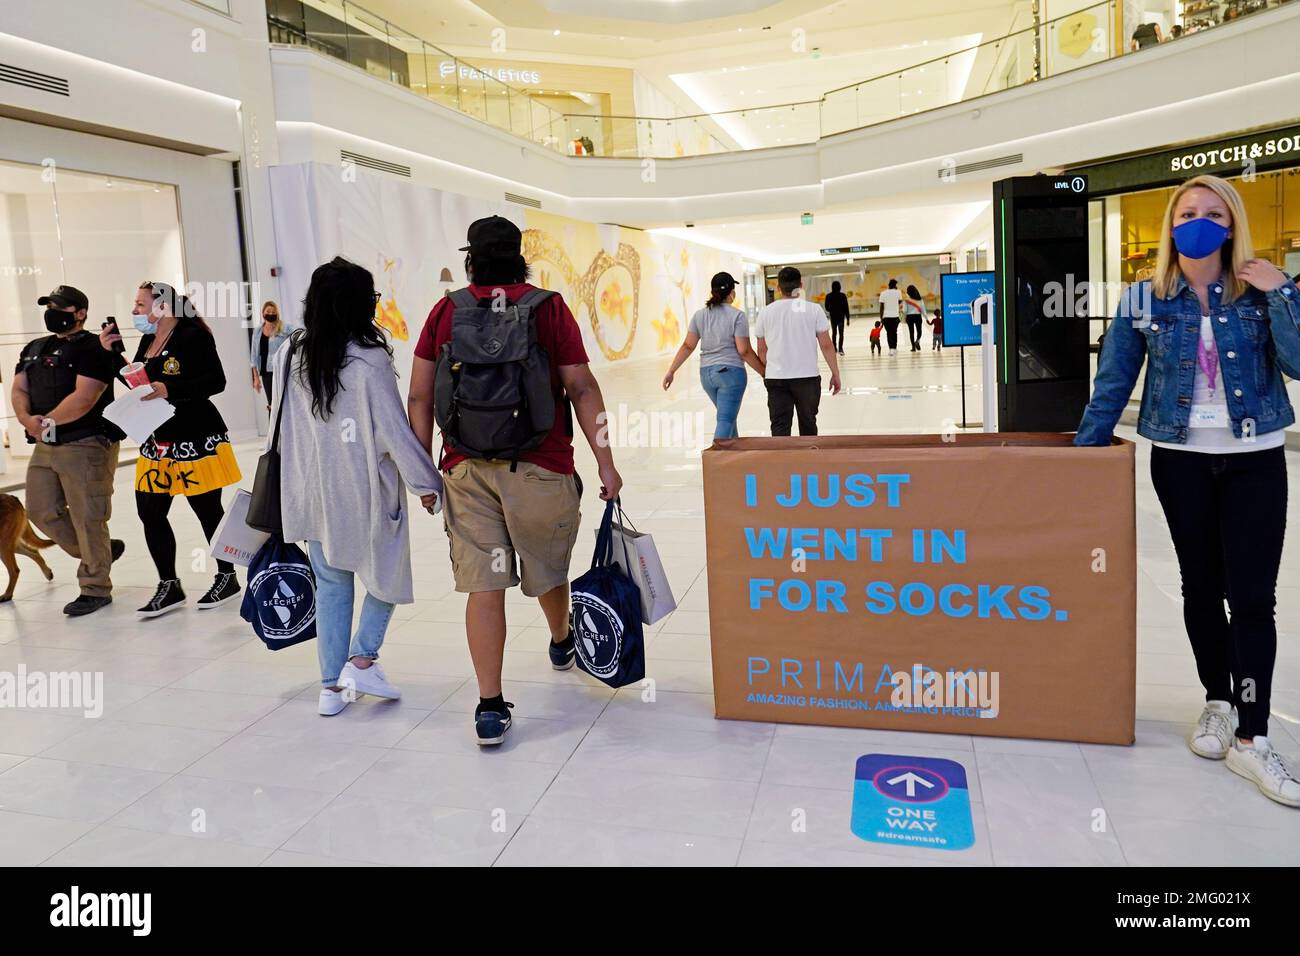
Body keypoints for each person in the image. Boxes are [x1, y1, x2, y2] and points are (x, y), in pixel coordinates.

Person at [1076, 174, 1300, 808]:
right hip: (1179, 461)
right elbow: (1113, 383)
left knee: (1253, 598)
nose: (1199, 222)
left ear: (1232, 226)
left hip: (1254, 460)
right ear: (1172, 225)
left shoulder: (1262, 290)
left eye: (1213, 213)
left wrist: (1284, 294)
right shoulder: (1144, 299)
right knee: (1200, 588)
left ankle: (1253, 740)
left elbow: (1299, 362)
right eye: (1187, 212)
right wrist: (1082, 458)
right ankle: (1219, 701)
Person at [408, 215, 623, 746]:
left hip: (465, 467)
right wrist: (606, 463)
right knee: (547, 570)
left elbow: (418, 396)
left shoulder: (447, 310)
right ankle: (561, 637)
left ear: (470, 259)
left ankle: (488, 705)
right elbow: (582, 387)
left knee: (483, 584)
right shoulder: (547, 307)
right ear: (520, 256)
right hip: (540, 464)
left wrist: (423, 473)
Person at [272, 258, 442, 717]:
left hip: (311, 487)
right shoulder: (369, 358)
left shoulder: (289, 353)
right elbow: (391, 430)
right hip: (363, 487)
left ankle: (331, 688)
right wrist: (426, 482)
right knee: (388, 570)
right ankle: (363, 658)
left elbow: (280, 424)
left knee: (331, 585)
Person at [100, 282, 242, 618]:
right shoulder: (149, 339)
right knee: (150, 511)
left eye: (140, 304)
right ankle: (169, 584)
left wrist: (171, 389)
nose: (135, 311)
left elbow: (216, 381)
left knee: (206, 510)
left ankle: (227, 576)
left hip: (195, 436)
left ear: (163, 306)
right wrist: (112, 355)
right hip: (157, 438)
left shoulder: (193, 336)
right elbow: (139, 383)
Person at [11, 285, 124, 616]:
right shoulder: (35, 347)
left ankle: (95, 587)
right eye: (49, 306)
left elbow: (85, 398)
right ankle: (98, 553)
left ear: (80, 313)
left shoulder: (95, 348)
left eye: (59, 308)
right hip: (45, 445)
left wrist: (42, 423)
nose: (52, 312)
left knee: (88, 516)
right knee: (40, 510)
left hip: (86, 442)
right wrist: (26, 419)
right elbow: (20, 387)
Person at [662, 272, 764, 439]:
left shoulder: (699, 315)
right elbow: (744, 350)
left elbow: (688, 346)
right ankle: (715, 461)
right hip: (730, 375)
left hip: (707, 375)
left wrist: (671, 371)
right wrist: (763, 371)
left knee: (729, 418)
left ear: (713, 292)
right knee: (725, 420)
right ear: (732, 292)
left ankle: (732, 459)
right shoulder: (737, 316)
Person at [753, 266, 842, 436]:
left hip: (776, 378)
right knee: (808, 424)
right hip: (807, 378)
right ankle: (808, 462)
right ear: (800, 285)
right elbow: (826, 345)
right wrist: (835, 373)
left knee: (779, 427)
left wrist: (769, 370)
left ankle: (781, 462)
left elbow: (762, 350)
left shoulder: (765, 313)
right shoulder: (814, 310)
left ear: (778, 288)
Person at [250, 300, 288, 414]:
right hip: (266, 372)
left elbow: (298, 335)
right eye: (268, 311)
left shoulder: (284, 328)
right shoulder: (257, 331)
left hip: (281, 370)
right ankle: (273, 432)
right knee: (271, 403)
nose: (270, 314)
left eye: (273, 312)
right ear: (263, 313)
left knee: (283, 402)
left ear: (277, 314)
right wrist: (256, 378)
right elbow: (253, 357)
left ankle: (285, 431)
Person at [824, 280, 850, 355]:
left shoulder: (828, 296)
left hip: (833, 317)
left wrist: (832, 310)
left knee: (834, 333)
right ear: (839, 287)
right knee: (841, 333)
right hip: (841, 317)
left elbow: (826, 307)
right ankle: (840, 348)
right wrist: (848, 319)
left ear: (832, 287)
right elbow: (846, 308)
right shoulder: (843, 295)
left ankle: (834, 348)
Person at [878, 278, 903, 353]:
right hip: (895, 316)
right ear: (895, 285)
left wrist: (881, 317)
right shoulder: (898, 292)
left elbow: (881, 307)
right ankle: (894, 348)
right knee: (894, 332)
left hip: (886, 317)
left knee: (889, 333)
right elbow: (900, 302)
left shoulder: (883, 293)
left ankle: (891, 349)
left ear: (888, 285)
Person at [903, 283, 925, 352]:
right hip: (918, 316)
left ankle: (913, 347)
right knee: (919, 331)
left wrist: (905, 318)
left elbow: (905, 310)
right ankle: (917, 341)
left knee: (911, 332)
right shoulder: (919, 299)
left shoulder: (907, 299)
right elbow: (922, 308)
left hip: (910, 317)